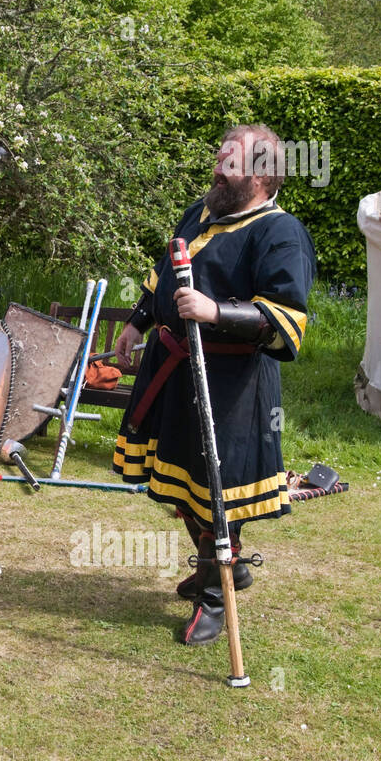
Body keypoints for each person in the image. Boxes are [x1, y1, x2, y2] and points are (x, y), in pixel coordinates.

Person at [112, 123, 317, 646]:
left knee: (216, 493)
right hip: (174, 371)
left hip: (230, 387)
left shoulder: (280, 232)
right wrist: (138, 320)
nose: (218, 169)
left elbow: (287, 317)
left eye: (232, 163)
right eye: (220, 158)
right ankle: (220, 569)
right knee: (181, 487)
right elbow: (162, 277)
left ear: (263, 176)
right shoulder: (200, 214)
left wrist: (215, 311)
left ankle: (214, 597)